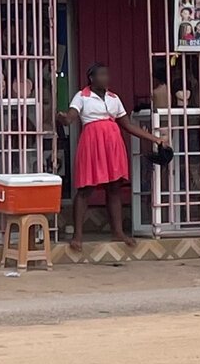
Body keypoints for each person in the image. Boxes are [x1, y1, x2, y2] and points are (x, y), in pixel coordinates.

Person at [58, 63, 168, 252]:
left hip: (113, 145)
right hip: (92, 145)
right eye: (101, 74)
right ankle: (77, 236)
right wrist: (62, 118)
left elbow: (127, 125)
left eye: (107, 74)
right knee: (85, 188)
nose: (105, 78)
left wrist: (155, 139)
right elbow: (71, 116)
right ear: (91, 78)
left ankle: (118, 231)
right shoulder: (81, 96)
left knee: (114, 188)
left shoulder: (114, 98)